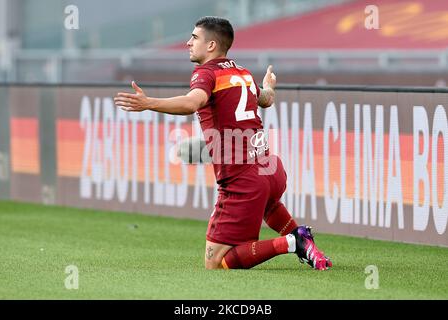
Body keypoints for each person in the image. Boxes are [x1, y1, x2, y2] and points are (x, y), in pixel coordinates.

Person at [114, 16, 332, 270]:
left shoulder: (206, 74)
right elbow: (267, 99)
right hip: (270, 169)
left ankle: (292, 242)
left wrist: (148, 103)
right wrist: (269, 86)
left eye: (194, 38)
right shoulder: (242, 73)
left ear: (211, 45)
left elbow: (191, 103)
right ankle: (306, 243)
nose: (188, 42)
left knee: (216, 262)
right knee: (269, 205)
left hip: (243, 178)